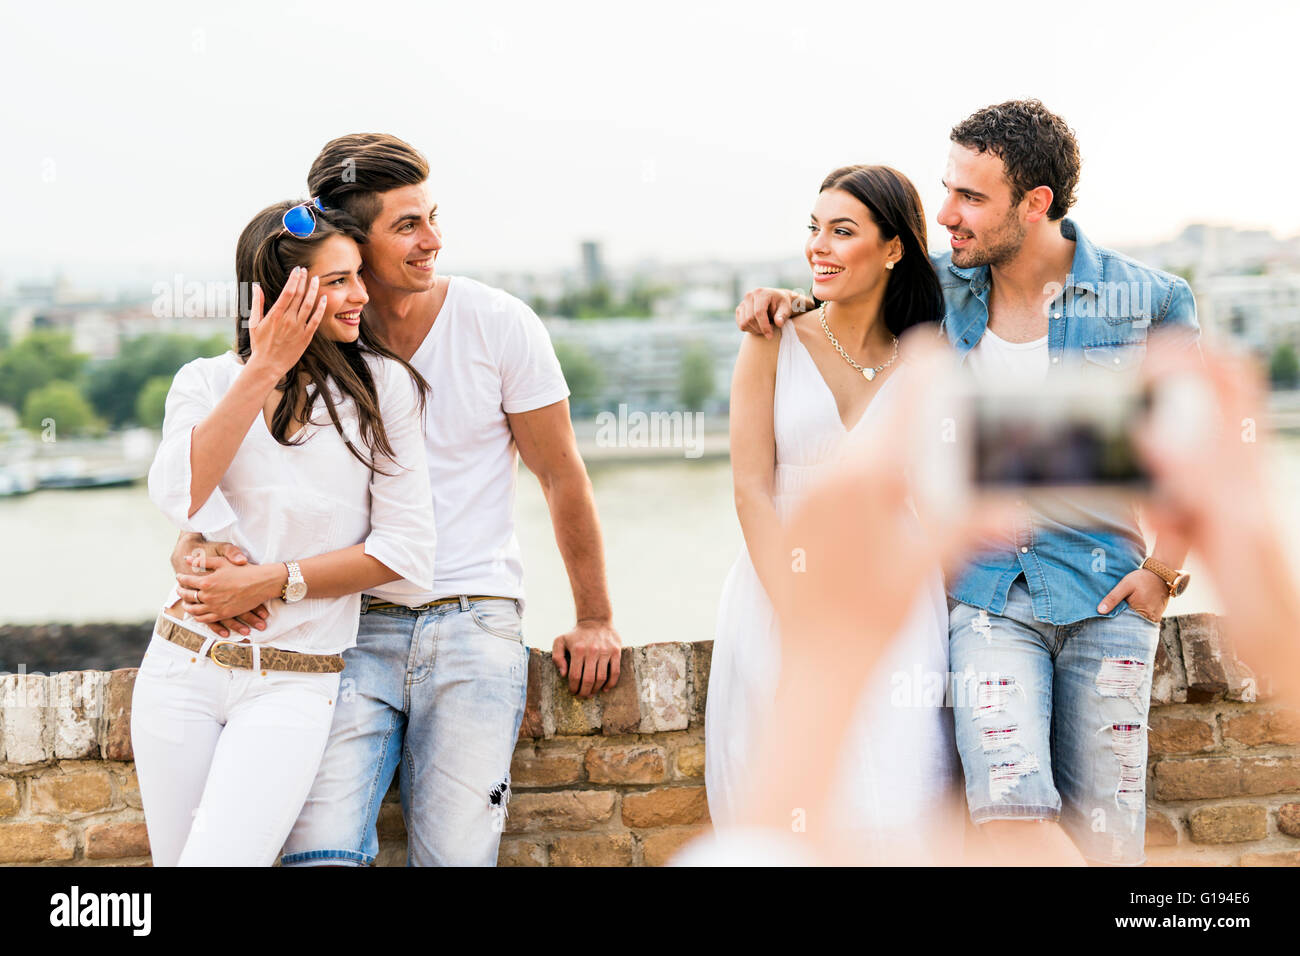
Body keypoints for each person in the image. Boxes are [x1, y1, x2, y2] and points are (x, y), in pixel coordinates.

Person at [734, 100, 1201, 865]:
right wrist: (782, 301)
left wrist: (1163, 573)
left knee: (1109, 835)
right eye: (948, 188)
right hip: (985, 598)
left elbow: (1193, 455)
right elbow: (842, 306)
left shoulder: (1151, 299)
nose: (946, 213)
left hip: (1109, 596)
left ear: (1036, 203)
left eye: (972, 198)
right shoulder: (937, 292)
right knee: (1008, 811)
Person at [173, 134, 623, 867]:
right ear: (353, 237)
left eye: (432, 218)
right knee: (316, 852)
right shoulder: (314, 347)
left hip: (474, 622)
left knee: (456, 856)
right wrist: (194, 545)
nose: (433, 241)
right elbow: (240, 481)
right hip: (342, 629)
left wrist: (596, 618)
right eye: (407, 226)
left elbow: (561, 474)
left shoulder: (500, 323)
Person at [132, 200, 437, 866]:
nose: (360, 295)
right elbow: (181, 495)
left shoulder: (385, 391)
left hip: (292, 683)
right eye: (335, 281)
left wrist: (273, 581)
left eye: (357, 275)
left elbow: (407, 551)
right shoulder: (206, 381)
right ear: (272, 296)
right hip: (180, 670)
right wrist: (263, 368)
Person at [705, 164, 961, 858]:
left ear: (894, 248)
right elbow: (750, 488)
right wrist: (797, 608)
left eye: (842, 231)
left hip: (897, 599)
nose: (819, 246)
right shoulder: (772, 338)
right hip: (778, 590)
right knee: (787, 786)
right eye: (813, 229)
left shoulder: (928, 357)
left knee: (898, 783)